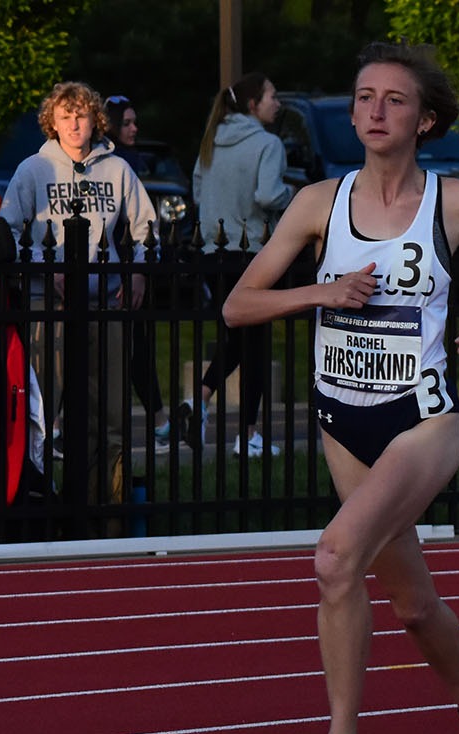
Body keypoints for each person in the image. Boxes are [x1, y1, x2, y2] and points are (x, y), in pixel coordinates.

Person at [222, 41, 459, 734]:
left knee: (334, 558)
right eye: (364, 97)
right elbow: (238, 306)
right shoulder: (319, 204)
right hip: (341, 419)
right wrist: (321, 289)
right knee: (412, 600)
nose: (374, 111)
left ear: (424, 118)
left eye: (393, 99)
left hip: (422, 419)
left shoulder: (457, 203)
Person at [0, 81, 156, 516]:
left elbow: (145, 227)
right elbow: (7, 230)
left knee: (108, 413)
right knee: (43, 411)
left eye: (81, 116)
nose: (73, 124)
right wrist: (46, 270)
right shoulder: (33, 169)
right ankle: (41, 507)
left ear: (94, 121)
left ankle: (103, 506)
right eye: (65, 116)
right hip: (45, 307)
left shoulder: (118, 169)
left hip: (105, 306)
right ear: (52, 121)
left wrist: (138, 268)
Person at [186, 73, 294, 456]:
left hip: (214, 254)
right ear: (253, 104)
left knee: (237, 338)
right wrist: (292, 196)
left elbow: (199, 191)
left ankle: (198, 400)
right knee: (256, 345)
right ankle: (247, 434)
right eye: (272, 96)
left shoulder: (210, 140)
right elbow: (267, 194)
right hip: (253, 255)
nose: (277, 103)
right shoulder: (268, 144)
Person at [103, 93, 173, 451]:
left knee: (132, 348)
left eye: (134, 121)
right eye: (126, 122)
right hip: (118, 267)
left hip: (125, 266)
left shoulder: (122, 161)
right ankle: (159, 420)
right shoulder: (116, 162)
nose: (134, 128)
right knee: (128, 350)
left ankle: (159, 419)